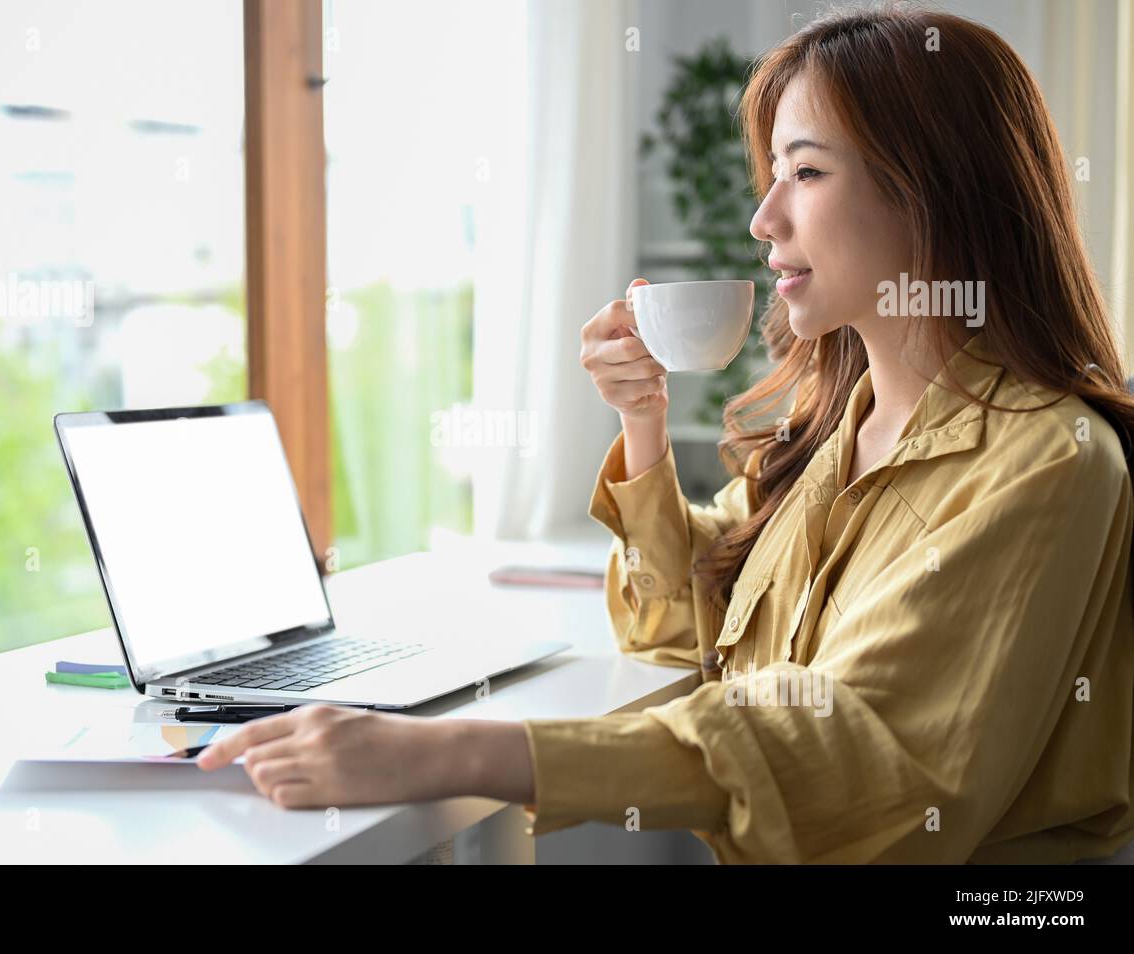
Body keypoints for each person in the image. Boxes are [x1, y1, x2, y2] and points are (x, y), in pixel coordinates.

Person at [197, 5, 1134, 863]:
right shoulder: (840, 435)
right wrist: (641, 423)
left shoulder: (1045, 459)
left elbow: (854, 749)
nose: (764, 219)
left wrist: (449, 752)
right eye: (771, 179)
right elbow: (686, 624)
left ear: (934, 190)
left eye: (805, 173)